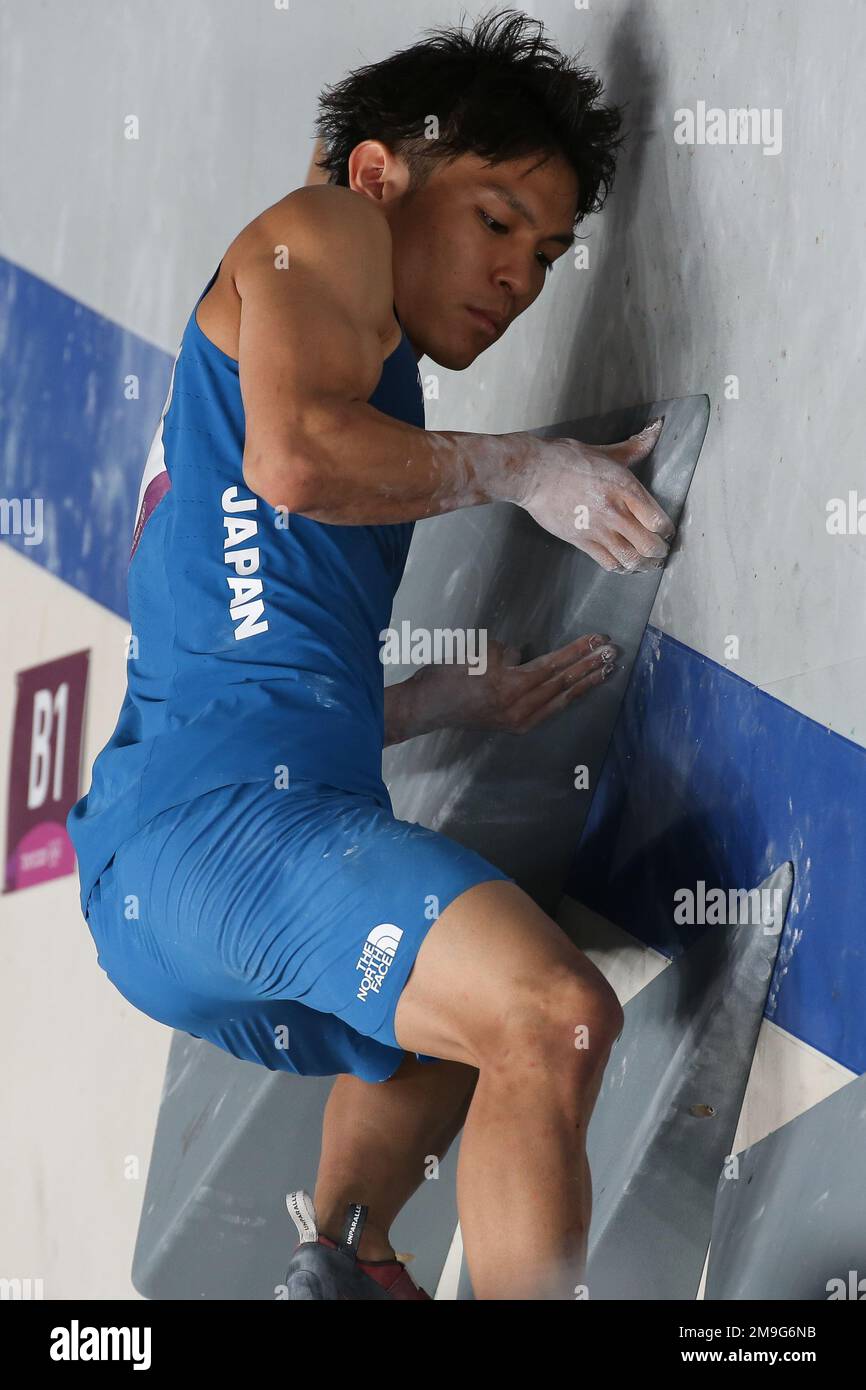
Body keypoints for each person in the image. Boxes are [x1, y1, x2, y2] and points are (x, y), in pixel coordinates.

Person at [68, 8, 674, 1301]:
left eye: (550, 254)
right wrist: (530, 468)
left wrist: (431, 701)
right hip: (217, 837)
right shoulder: (315, 230)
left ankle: (344, 1259)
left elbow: (237, 644)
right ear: (379, 174)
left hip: (167, 870)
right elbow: (298, 464)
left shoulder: (319, 372)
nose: (519, 275)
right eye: (497, 218)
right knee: (551, 1015)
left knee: (461, 1010)